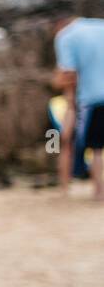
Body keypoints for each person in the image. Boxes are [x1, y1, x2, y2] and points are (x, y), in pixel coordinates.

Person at [54, 16, 104, 201]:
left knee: (92, 146)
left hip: (88, 100)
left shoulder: (66, 37)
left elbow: (67, 74)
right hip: (84, 100)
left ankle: (90, 190)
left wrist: (58, 82)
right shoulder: (101, 26)